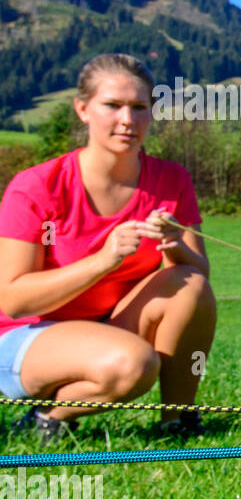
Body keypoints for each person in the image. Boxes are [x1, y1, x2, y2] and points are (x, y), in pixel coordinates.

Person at [0, 53, 216, 442]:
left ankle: (177, 421)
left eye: (139, 107)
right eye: (112, 105)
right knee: (133, 364)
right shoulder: (36, 187)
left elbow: (199, 273)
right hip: (28, 337)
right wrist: (104, 259)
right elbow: (14, 300)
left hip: (111, 326)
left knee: (191, 284)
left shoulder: (171, 180)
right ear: (83, 109)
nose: (127, 120)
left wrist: (174, 248)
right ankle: (47, 416)